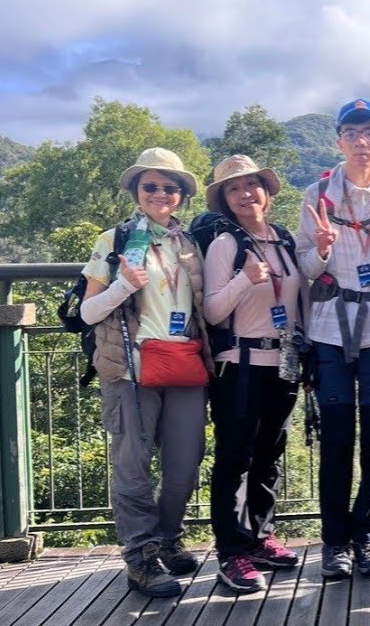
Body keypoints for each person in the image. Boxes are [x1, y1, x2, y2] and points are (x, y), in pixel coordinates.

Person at [79, 147, 212, 598]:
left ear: (181, 195)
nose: (160, 193)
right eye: (150, 186)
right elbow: (87, 312)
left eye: (169, 187)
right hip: (130, 369)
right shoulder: (113, 241)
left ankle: (169, 539)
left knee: (185, 463)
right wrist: (121, 285)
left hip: (184, 364)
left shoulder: (189, 244)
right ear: (137, 190)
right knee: (133, 466)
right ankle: (141, 557)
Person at [296, 99, 370, 579]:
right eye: (352, 132)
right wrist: (322, 250)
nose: (361, 141)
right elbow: (306, 267)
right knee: (337, 439)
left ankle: (367, 537)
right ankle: (334, 542)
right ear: (339, 141)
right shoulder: (317, 193)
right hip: (327, 329)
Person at [201, 155, 305, 594]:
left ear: (267, 190)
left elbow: (303, 291)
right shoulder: (226, 243)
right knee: (235, 459)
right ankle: (232, 552)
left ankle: (261, 537)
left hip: (283, 364)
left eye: (253, 185)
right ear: (225, 199)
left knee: (269, 456)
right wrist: (245, 279)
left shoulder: (283, 240)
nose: (246, 193)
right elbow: (212, 308)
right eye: (234, 188)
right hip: (240, 366)